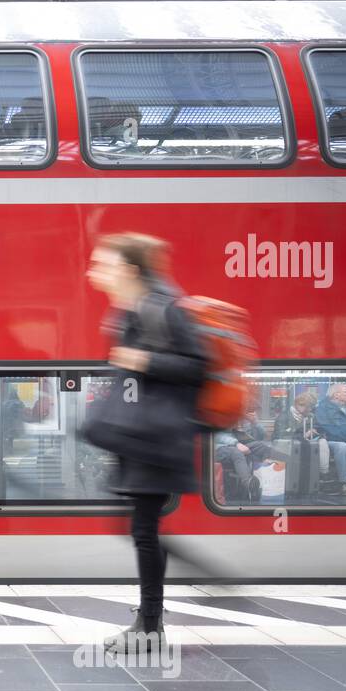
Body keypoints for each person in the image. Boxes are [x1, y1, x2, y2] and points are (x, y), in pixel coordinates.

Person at [83, 233, 207, 653]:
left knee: (142, 529)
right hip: (140, 437)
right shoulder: (131, 310)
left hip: (155, 437)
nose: (93, 271)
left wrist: (142, 359)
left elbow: (197, 365)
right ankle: (150, 620)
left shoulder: (163, 307)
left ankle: (151, 624)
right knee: (139, 529)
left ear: (130, 270)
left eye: (104, 264)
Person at [212, 406, 280, 502]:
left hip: (237, 443)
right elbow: (216, 436)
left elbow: (262, 436)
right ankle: (248, 483)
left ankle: (267, 477)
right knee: (236, 452)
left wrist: (254, 423)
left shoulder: (242, 419)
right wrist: (236, 443)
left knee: (261, 446)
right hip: (217, 447)